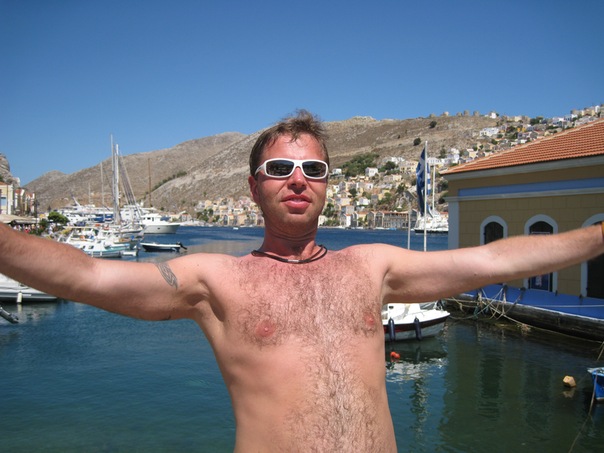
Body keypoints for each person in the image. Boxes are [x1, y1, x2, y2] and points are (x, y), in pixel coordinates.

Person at [1, 110, 603, 452]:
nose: (297, 178)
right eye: (280, 167)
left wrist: (597, 237)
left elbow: (493, 261)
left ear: (326, 184)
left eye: (313, 168)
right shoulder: (216, 281)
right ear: (254, 186)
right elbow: (85, 275)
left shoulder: (371, 267)